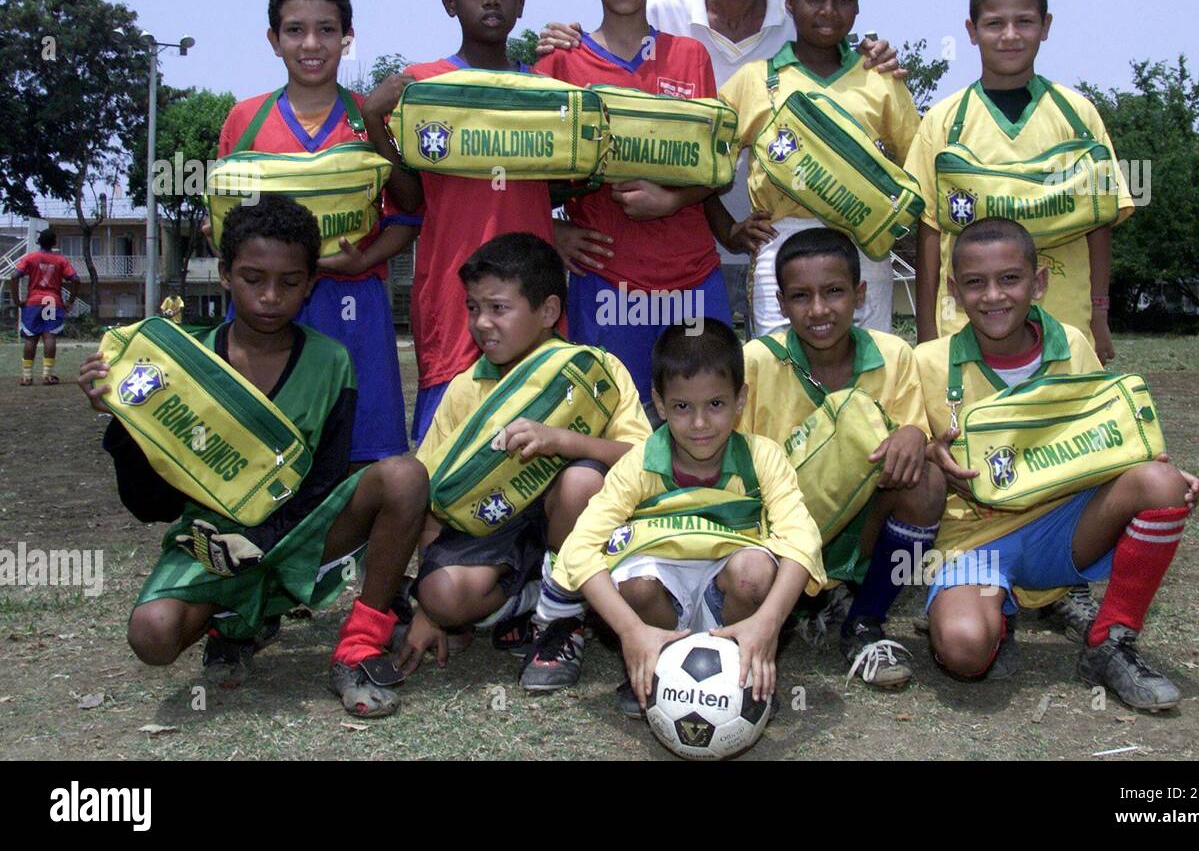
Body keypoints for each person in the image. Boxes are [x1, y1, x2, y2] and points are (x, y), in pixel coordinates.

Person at [78, 196, 427, 718]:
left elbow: (326, 481)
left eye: (289, 282)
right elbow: (152, 507)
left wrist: (262, 542)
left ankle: (358, 647)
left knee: (404, 476)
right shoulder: (184, 364)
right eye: (252, 278)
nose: (270, 297)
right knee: (152, 638)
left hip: (301, 531)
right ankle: (237, 621)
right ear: (223, 274)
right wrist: (127, 420)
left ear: (311, 282)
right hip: (212, 539)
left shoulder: (331, 361)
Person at [536, 0, 903, 328]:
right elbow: (599, 49)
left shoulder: (805, 10)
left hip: (778, 248)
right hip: (678, 251)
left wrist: (876, 52)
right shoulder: (658, 11)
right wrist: (563, 38)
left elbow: (849, 62)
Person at [916, 218, 1199, 709]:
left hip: (1065, 525)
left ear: (1039, 282)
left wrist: (1163, 470)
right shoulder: (927, 361)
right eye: (975, 283)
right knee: (964, 651)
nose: (993, 296)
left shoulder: (1072, 344)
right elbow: (910, 464)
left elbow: (1107, 439)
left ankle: (1109, 643)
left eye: (1010, 278)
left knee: (1162, 482)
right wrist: (931, 456)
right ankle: (996, 615)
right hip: (974, 541)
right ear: (953, 290)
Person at [398, 233, 651, 692]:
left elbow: (646, 459)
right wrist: (426, 610)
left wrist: (566, 441)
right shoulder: (464, 388)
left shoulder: (595, 369)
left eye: (498, 308)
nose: (481, 323)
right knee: (443, 595)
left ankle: (562, 621)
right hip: (496, 529)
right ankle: (526, 603)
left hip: (575, 523)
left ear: (549, 312)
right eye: (473, 308)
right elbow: (431, 497)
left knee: (580, 483)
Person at [553, 317, 827, 716]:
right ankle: (658, 664)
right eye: (682, 407)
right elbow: (579, 549)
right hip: (663, 596)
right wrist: (630, 631)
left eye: (715, 404)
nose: (700, 424)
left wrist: (769, 621)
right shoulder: (639, 463)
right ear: (660, 404)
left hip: (729, 586)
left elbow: (802, 540)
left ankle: (738, 664)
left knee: (756, 570)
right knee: (635, 586)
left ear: (740, 399)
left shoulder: (762, 457)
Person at [533, 0, 732, 405]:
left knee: (705, 425)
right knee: (612, 426)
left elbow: (717, 168)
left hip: (692, 277)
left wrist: (671, 200)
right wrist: (552, 229)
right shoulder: (560, 61)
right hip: (605, 282)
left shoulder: (690, 57)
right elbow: (518, 175)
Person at [217, 0, 417, 466]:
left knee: (364, 458)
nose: (312, 44)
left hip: (354, 306)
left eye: (327, 30)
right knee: (258, 454)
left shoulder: (373, 116)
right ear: (273, 39)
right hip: (267, 307)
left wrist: (361, 258)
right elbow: (225, 220)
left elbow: (408, 215)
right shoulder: (245, 120)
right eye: (295, 30)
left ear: (347, 38)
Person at [359, 0, 558, 445]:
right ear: (450, 3)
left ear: (521, 5)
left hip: (531, 298)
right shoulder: (422, 88)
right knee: (442, 460)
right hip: (452, 300)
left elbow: (563, 189)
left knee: (532, 446)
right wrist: (373, 120)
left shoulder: (547, 96)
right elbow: (408, 201)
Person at [740, 228, 945, 687]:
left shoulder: (893, 354)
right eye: (800, 296)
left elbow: (920, 442)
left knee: (927, 481)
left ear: (860, 293)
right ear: (781, 301)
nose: (818, 310)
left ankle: (865, 620)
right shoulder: (755, 360)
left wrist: (914, 433)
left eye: (834, 292)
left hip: (861, 528)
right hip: (776, 534)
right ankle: (800, 603)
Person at [908, 0, 1133, 363]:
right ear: (971, 31)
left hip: (1065, 324)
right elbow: (926, 232)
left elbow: (1101, 222)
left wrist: (1099, 314)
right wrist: (927, 334)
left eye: (1024, 22)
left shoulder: (1079, 116)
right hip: (963, 329)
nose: (1010, 36)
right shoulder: (942, 122)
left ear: (1045, 26)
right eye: (994, 24)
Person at [716, 0, 919, 335]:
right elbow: (704, 168)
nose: (828, 10)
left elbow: (921, 170)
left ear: (857, 7)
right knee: (781, 377)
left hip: (865, 247)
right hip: (782, 243)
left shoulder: (881, 79)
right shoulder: (753, 80)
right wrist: (729, 230)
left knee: (869, 374)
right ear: (791, 3)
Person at [10, 227, 79, 385]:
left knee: (31, 338)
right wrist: (70, 301)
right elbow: (75, 279)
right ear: (54, 242)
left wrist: (16, 299)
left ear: (38, 242)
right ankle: (47, 375)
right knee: (49, 336)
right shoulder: (61, 260)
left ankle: (27, 377)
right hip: (53, 301)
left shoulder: (30, 258)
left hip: (33, 302)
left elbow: (14, 276)